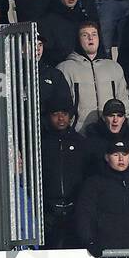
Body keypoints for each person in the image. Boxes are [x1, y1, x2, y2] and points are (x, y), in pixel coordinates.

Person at [58, 22, 129, 132]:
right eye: (85, 35)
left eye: (94, 34)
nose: (90, 38)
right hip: (79, 134)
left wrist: (127, 123)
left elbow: (123, 99)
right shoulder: (65, 68)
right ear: (78, 39)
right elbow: (61, 105)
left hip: (109, 132)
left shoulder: (114, 67)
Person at [40, 93, 87, 248]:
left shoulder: (81, 143)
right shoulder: (40, 143)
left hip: (75, 210)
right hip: (47, 212)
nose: (61, 118)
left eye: (65, 114)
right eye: (56, 114)